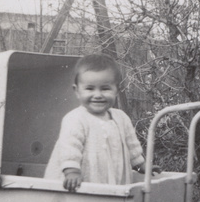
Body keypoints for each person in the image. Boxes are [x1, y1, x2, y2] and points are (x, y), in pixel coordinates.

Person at [44, 54, 153, 190]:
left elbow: (132, 146)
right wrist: (72, 171)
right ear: (77, 91)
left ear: (116, 90)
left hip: (112, 178)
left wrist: (141, 165)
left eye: (105, 88)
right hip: (79, 181)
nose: (98, 95)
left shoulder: (121, 117)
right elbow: (70, 148)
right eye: (89, 88)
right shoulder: (75, 118)